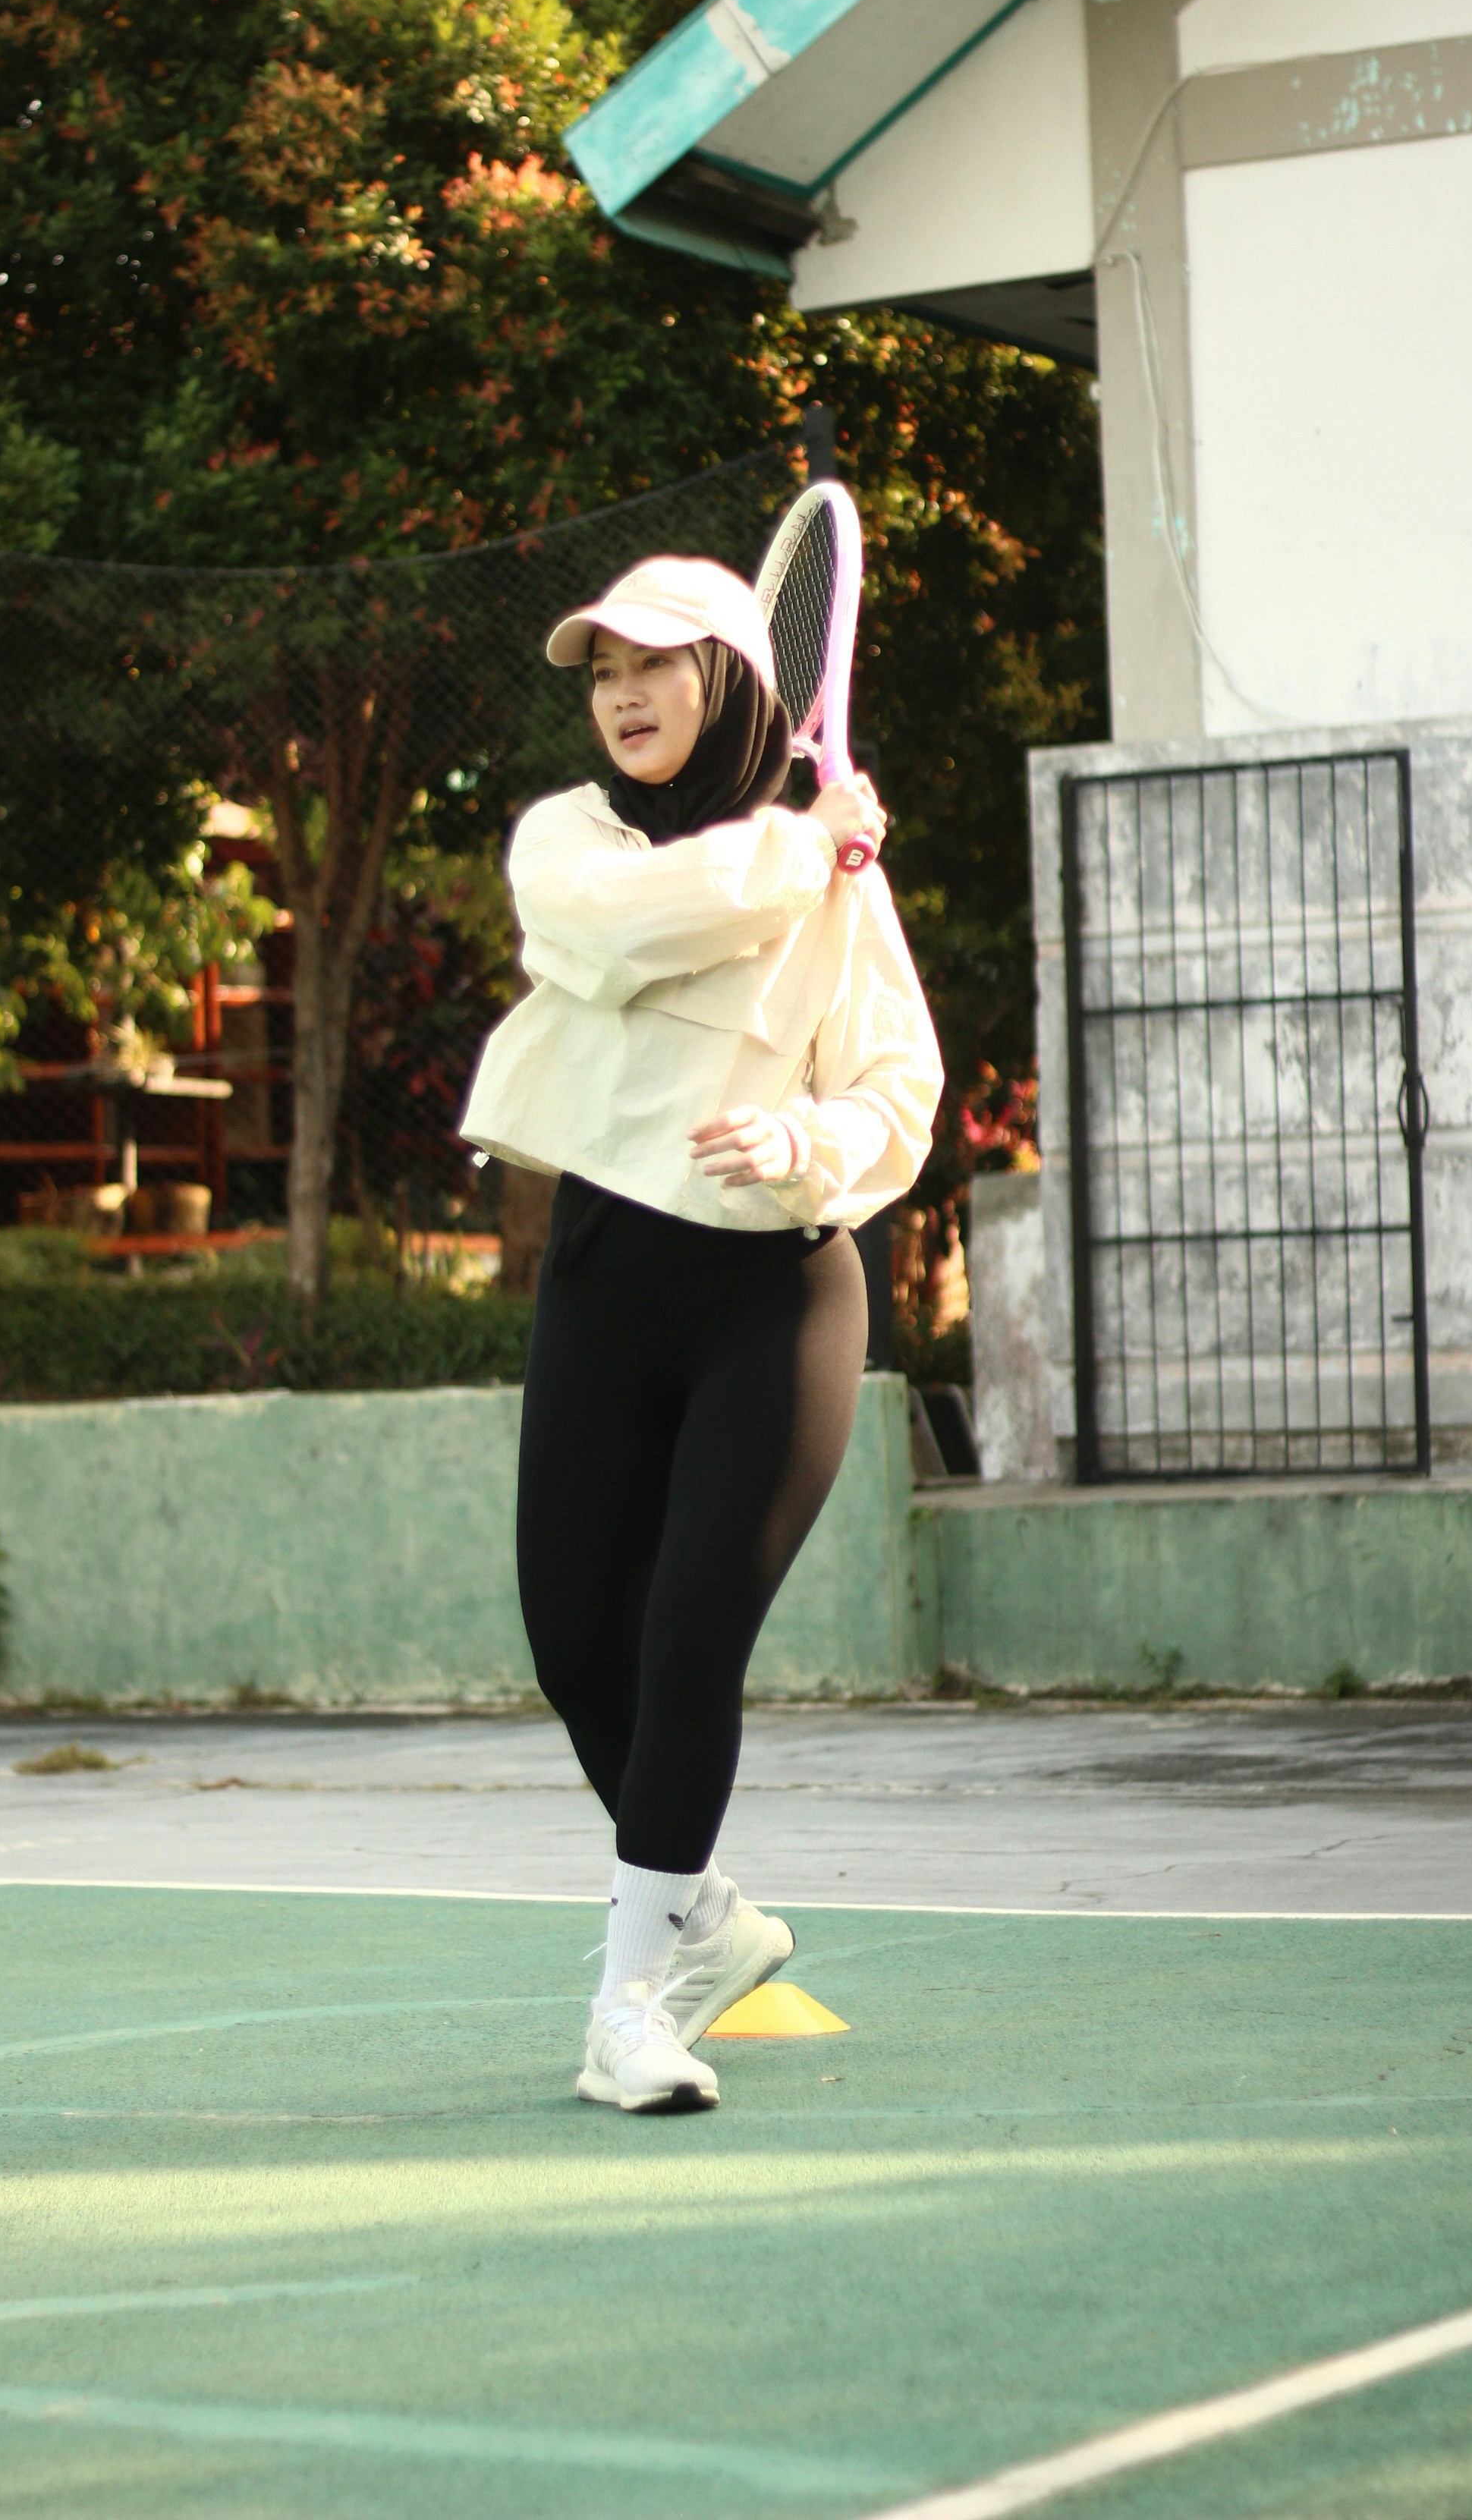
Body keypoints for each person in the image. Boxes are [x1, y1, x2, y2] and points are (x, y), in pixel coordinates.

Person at [461, 553, 942, 2114]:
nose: (620, 691)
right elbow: (617, 934)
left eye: (657, 663)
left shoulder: (841, 890)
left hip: (774, 1295)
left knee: (685, 1643)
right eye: (601, 667)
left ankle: (628, 2009)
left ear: (732, 681)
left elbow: (899, 1095)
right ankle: (712, 1920)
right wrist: (804, 845)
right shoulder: (565, 845)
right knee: (571, 1639)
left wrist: (808, 1143)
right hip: (604, 1281)